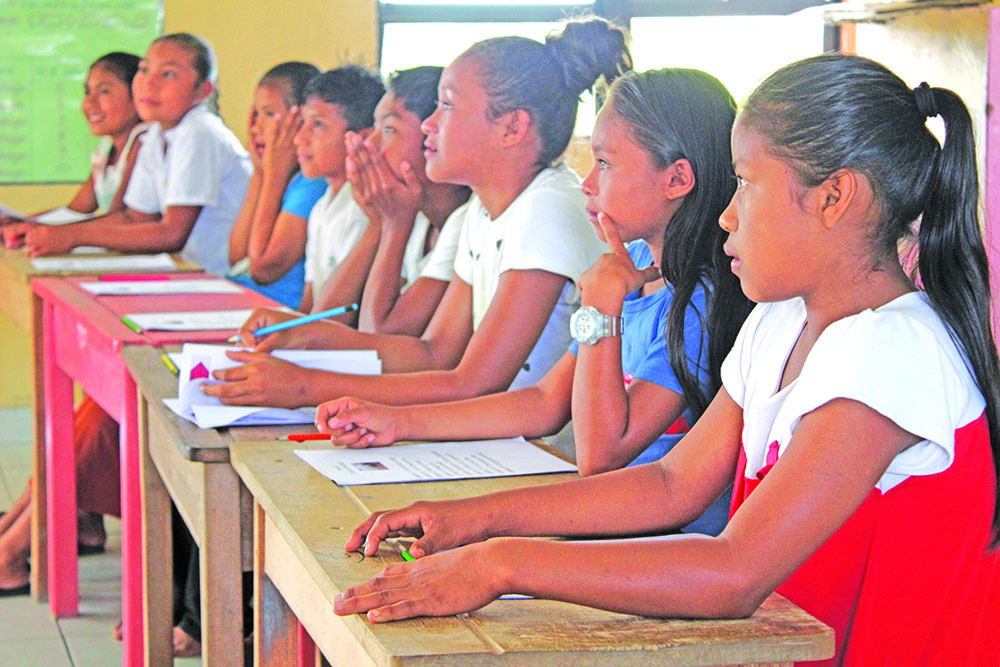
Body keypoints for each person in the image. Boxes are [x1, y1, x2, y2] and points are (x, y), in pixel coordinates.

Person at [331, 54, 1000, 666]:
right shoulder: (781, 320)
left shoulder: (894, 348)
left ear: (835, 197)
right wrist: (476, 519)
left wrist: (500, 564)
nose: (727, 216)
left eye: (746, 184)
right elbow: (673, 484)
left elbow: (735, 572)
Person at [316, 69, 752, 538]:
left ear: (676, 178)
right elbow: (546, 402)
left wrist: (601, 307)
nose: (587, 182)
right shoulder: (636, 263)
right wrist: (397, 422)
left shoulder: (696, 302)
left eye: (604, 163)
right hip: (606, 525)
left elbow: (601, 456)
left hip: (661, 545)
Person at [203, 17, 632, 413]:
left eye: (446, 106)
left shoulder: (547, 208)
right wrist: (302, 333)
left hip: (550, 459)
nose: (429, 124)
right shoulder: (483, 212)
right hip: (501, 443)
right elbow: (433, 352)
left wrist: (305, 386)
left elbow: (472, 383)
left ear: (512, 128)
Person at [3, 32, 251, 278]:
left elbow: (172, 234)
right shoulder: (155, 135)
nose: (149, 83)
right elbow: (134, 218)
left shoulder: (199, 132)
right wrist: (45, 230)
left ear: (203, 91)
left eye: (168, 74)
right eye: (144, 70)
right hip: (189, 274)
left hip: (228, 280)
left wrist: (71, 236)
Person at [321, 66, 471, 335]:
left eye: (389, 128)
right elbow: (325, 317)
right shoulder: (417, 215)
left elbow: (380, 334)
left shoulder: (465, 222)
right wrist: (377, 223)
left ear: (434, 137)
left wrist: (393, 225)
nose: (370, 144)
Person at [0, 52, 148, 224]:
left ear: (138, 95)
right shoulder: (106, 149)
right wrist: (18, 223)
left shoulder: (144, 141)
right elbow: (75, 211)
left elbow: (117, 219)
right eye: (87, 92)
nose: (90, 104)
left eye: (104, 91)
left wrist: (43, 230)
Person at [227, 61, 326, 309]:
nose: (257, 127)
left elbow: (262, 269)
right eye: (256, 115)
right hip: (247, 301)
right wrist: (260, 173)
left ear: (300, 120)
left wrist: (273, 176)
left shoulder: (312, 183)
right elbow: (238, 257)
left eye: (269, 114)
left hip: (279, 310)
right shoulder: (279, 176)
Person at [291, 65, 385, 314]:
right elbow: (310, 303)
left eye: (318, 125)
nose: (299, 138)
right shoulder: (323, 206)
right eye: (303, 123)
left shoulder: (363, 210)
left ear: (362, 138)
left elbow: (342, 315)